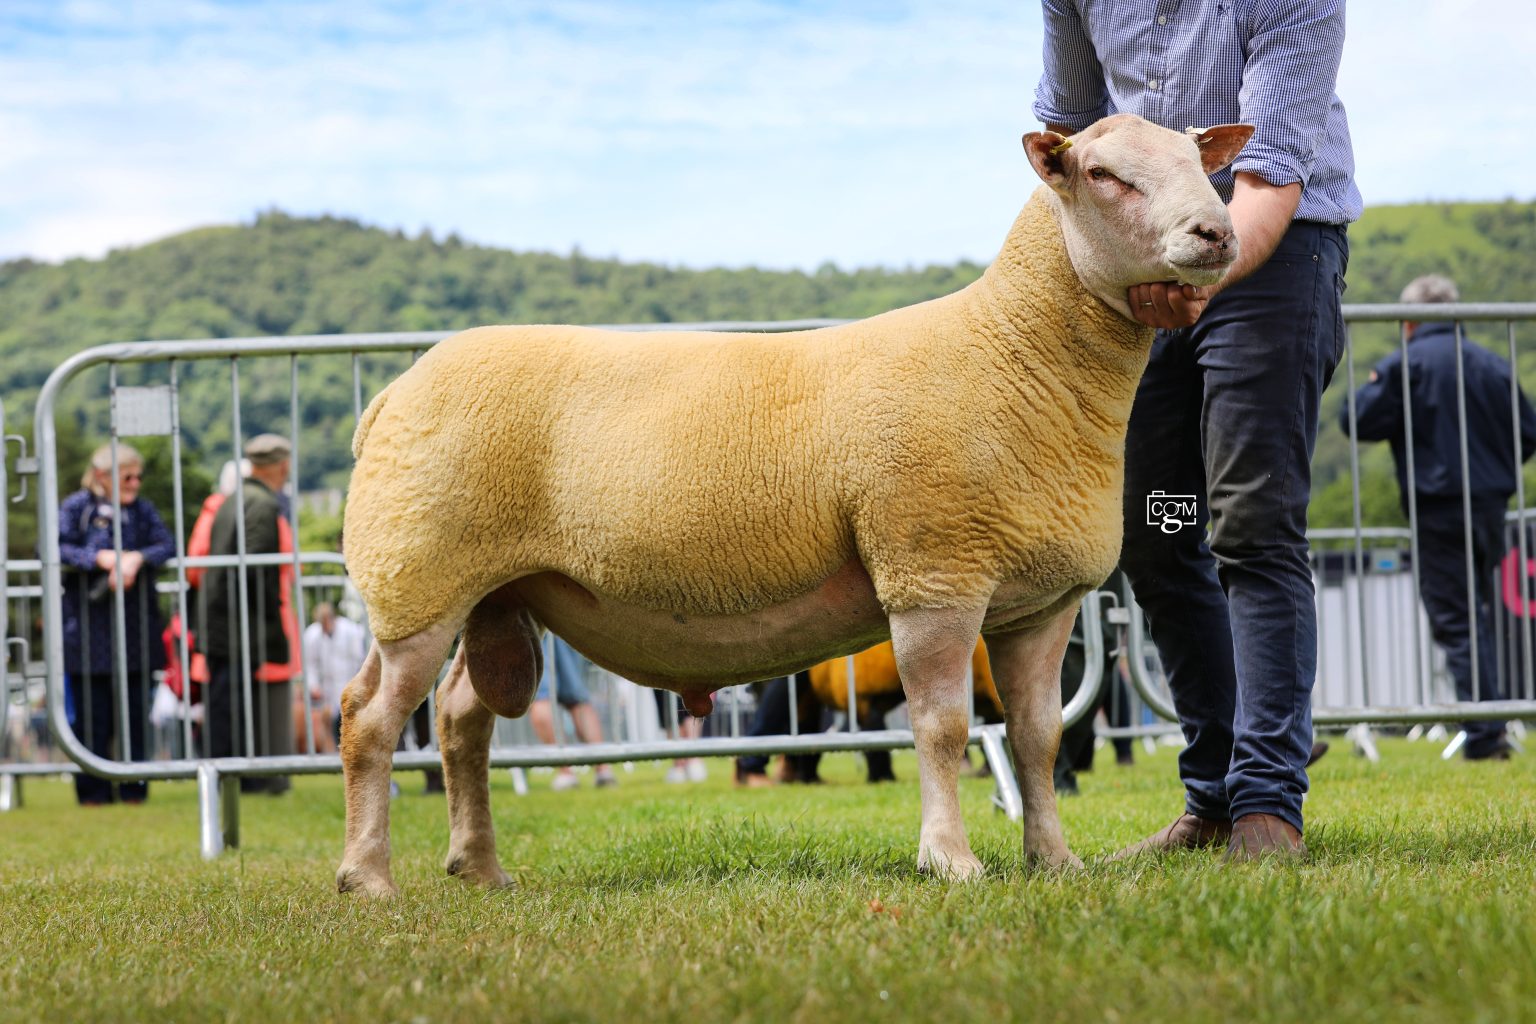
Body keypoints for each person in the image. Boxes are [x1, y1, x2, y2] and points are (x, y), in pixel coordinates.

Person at [1035, 0, 1360, 859]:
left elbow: (1269, 172)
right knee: (1159, 528)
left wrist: (1200, 278)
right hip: (1145, 272)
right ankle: (1213, 791)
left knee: (1250, 526)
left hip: (1269, 258)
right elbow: (1068, 134)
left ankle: (1265, 801)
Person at [1345, 275, 1536, 761]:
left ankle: (1486, 733)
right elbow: (1528, 432)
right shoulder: (1493, 364)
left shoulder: (1405, 366)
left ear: (1407, 321)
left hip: (1437, 507)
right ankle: (1489, 722)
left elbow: (1356, 419)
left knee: (1456, 618)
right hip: (1491, 507)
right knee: (1477, 614)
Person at [57, 443, 176, 805]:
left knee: (136, 716)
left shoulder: (142, 511)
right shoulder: (76, 507)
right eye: (127, 476)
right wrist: (101, 559)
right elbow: (56, 547)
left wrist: (136, 559)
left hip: (135, 632)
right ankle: (92, 792)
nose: (135, 483)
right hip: (88, 634)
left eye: (138, 476)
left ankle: (134, 788)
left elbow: (166, 544)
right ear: (101, 476)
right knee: (92, 718)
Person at [196, 434, 295, 793]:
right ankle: (235, 777)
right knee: (235, 702)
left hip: (224, 618)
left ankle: (228, 776)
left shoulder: (233, 499)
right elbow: (257, 570)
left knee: (226, 700)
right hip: (239, 621)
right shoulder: (263, 505)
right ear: (282, 465)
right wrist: (270, 620)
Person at [529, 636, 617, 790]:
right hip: (564, 621)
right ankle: (603, 770)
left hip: (532, 620)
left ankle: (566, 773)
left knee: (540, 696)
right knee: (577, 699)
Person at [299, 602, 367, 754]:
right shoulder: (312, 635)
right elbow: (310, 665)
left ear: (332, 618)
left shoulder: (351, 631)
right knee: (330, 723)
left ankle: (355, 752)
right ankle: (335, 753)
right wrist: (313, 686)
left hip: (350, 682)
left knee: (353, 721)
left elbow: (360, 660)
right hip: (327, 689)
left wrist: (357, 685)